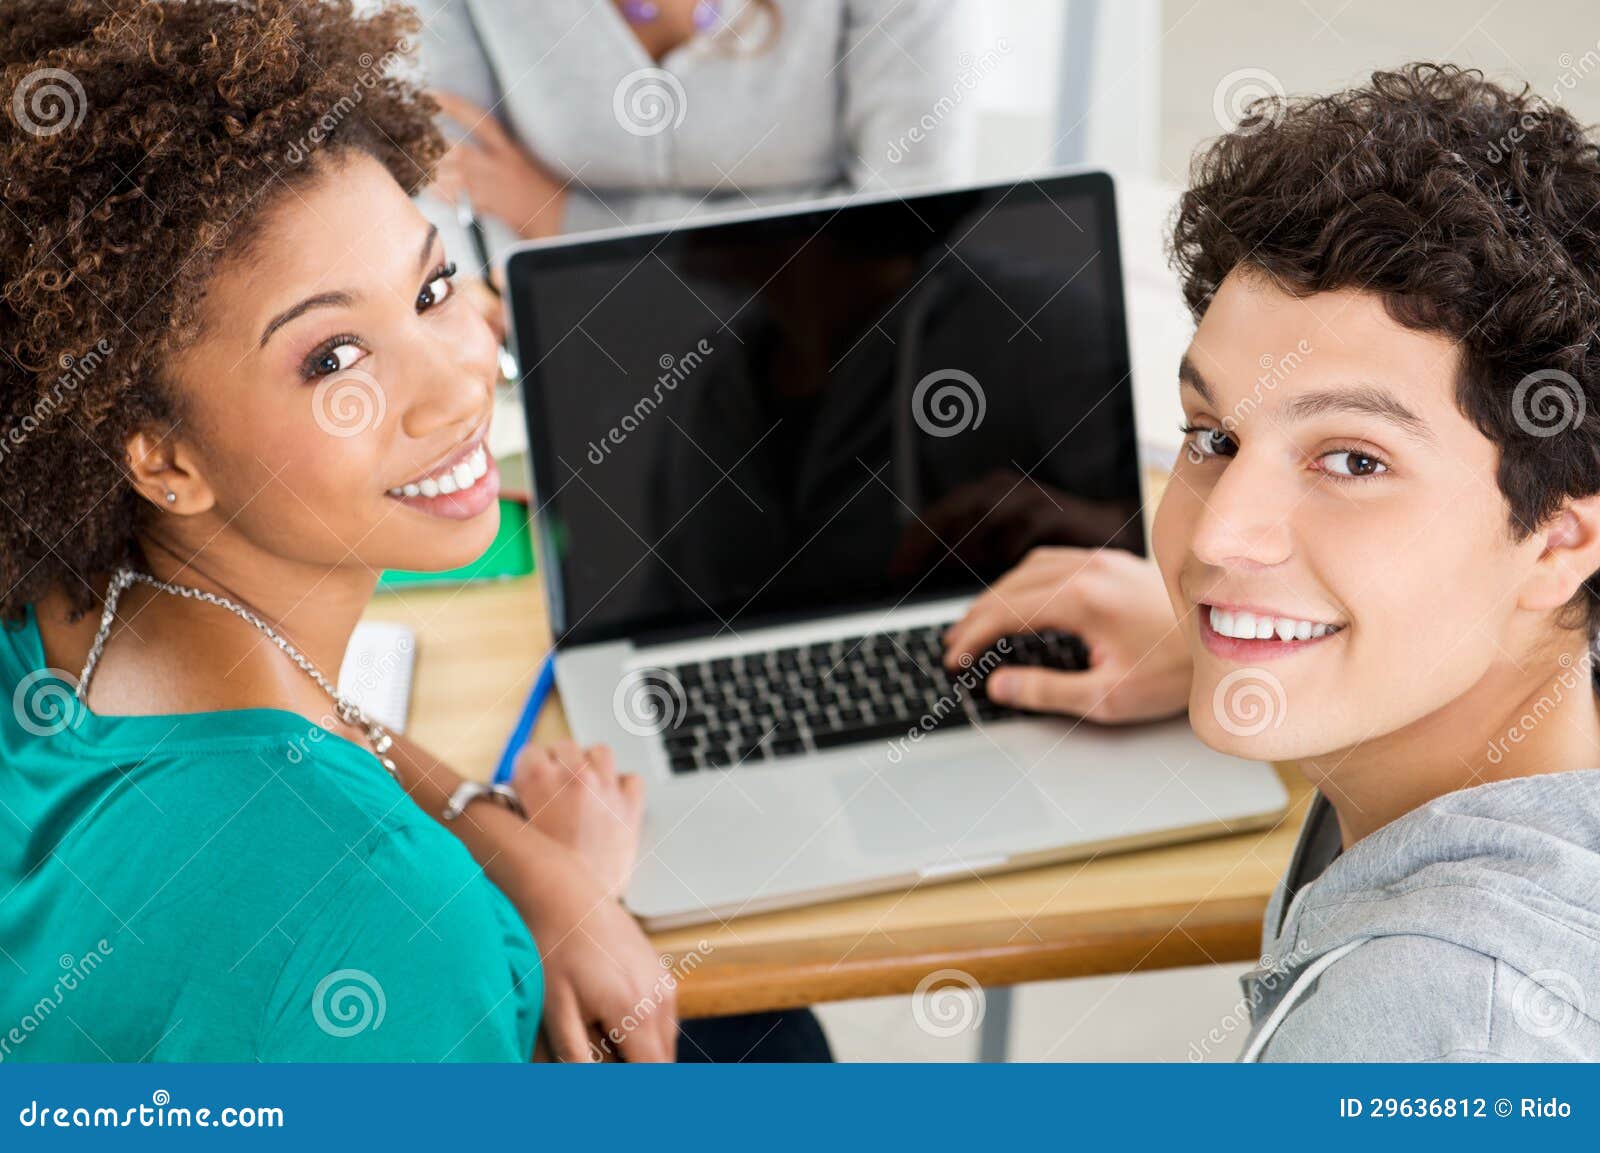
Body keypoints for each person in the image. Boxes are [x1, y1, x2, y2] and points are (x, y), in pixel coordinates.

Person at [0, 0, 673, 1062]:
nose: (459, 380)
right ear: (162, 458)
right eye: (332, 358)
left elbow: (283, 730)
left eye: (433, 287)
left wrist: (507, 844)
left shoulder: (52, 617)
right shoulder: (389, 928)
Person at [947, 63, 1600, 1060]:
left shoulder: (1430, 1020)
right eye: (1212, 436)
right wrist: (1223, 639)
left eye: (1349, 458)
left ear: (1559, 539)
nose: (1214, 535)